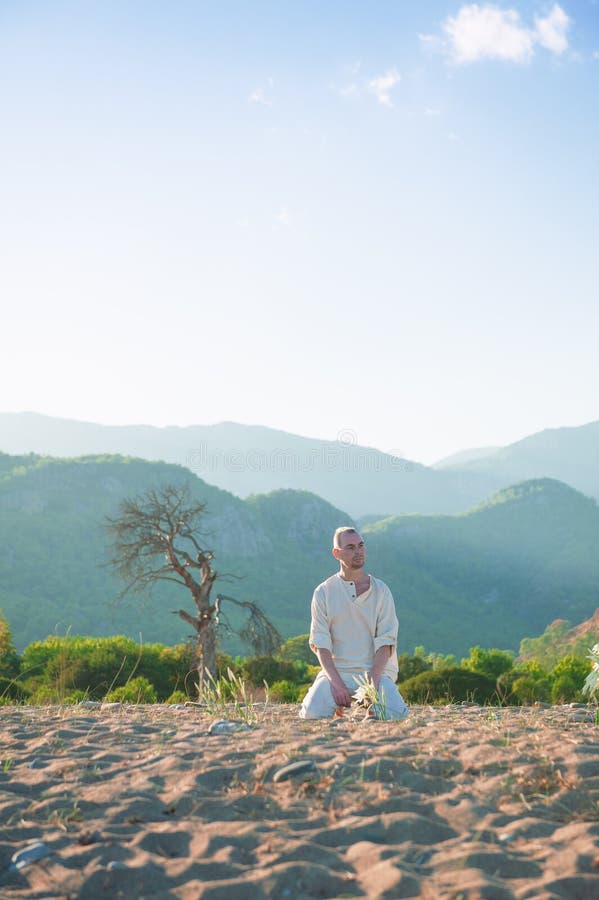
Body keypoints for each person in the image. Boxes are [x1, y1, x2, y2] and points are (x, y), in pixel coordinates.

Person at [299, 526, 409, 720]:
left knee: (397, 715)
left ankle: (372, 708)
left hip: (375, 673)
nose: (358, 551)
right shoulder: (323, 592)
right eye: (350, 547)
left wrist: (372, 683)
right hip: (337, 673)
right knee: (310, 715)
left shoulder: (381, 590)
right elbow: (321, 644)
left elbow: (386, 642)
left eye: (361, 545)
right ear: (336, 553)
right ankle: (338, 706)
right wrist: (337, 684)